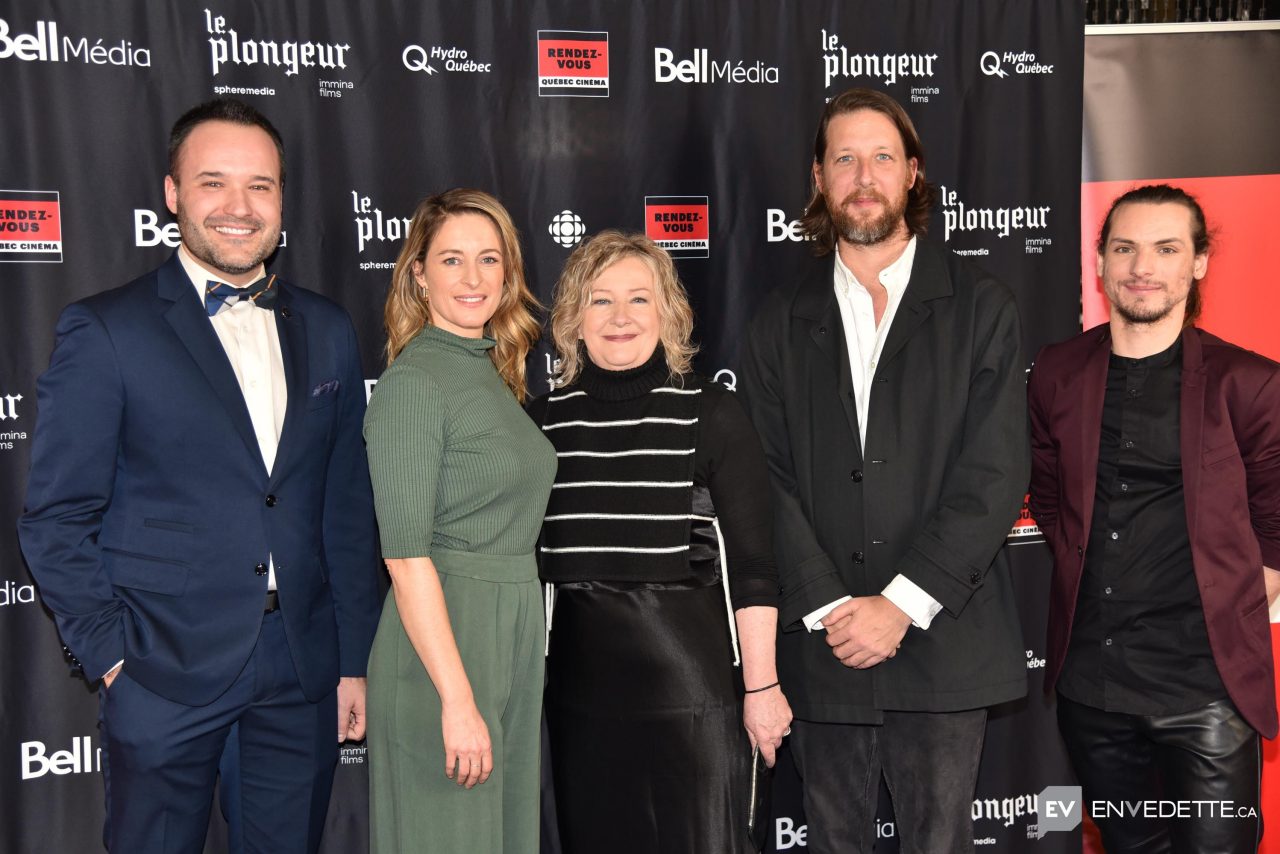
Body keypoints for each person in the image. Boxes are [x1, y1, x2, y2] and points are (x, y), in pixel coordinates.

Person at [18, 98, 380, 854]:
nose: (240, 208)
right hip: (161, 666)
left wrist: (350, 661)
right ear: (174, 194)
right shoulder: (108, 330)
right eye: (214, 182)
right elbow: (56, 517)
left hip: (300, 668)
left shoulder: (329, 328)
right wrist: (114, 657)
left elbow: (344, 506)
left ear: (283, 200)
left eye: (262, 186)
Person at [737, 88, 1029, 854]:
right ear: (819, 177)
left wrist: (900, 605)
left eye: (881, 157)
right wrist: (835, 605)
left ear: (913, 174)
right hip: (826, 649)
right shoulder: (777, 321)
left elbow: (996, 471)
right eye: (844, 159)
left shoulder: (982, 307)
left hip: (942, 641)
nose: (862, 176)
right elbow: (763, 478)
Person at [1028, 184, 1279, 853]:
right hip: (1093, 687)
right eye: (1125, 248)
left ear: (1197, 263)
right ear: (1102, 262)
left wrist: (1227, 602)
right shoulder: (1057, 371)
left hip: (1205, 691)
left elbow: (1276, 525)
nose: (1143, 266)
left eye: (1167, 248)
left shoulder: (1249, 384)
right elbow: (1049, 499)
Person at [529, 230, 792, 854]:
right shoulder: (540, 426)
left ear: (668, 313)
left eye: (639, 300)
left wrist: (763, 688)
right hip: (579, 707)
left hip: (695, 704)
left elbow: (754, 566)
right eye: (600, 300)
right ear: (572, 318)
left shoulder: (712, 414)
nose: (620, 317)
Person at [362, 188, 555, 854]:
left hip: (508, 632)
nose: (473, 279)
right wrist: (458, 699)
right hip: (445, 647)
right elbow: (406, 556)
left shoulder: (489, 372)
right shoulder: (415, 384)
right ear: (419, 272)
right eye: (451, 260)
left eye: (488, 259)